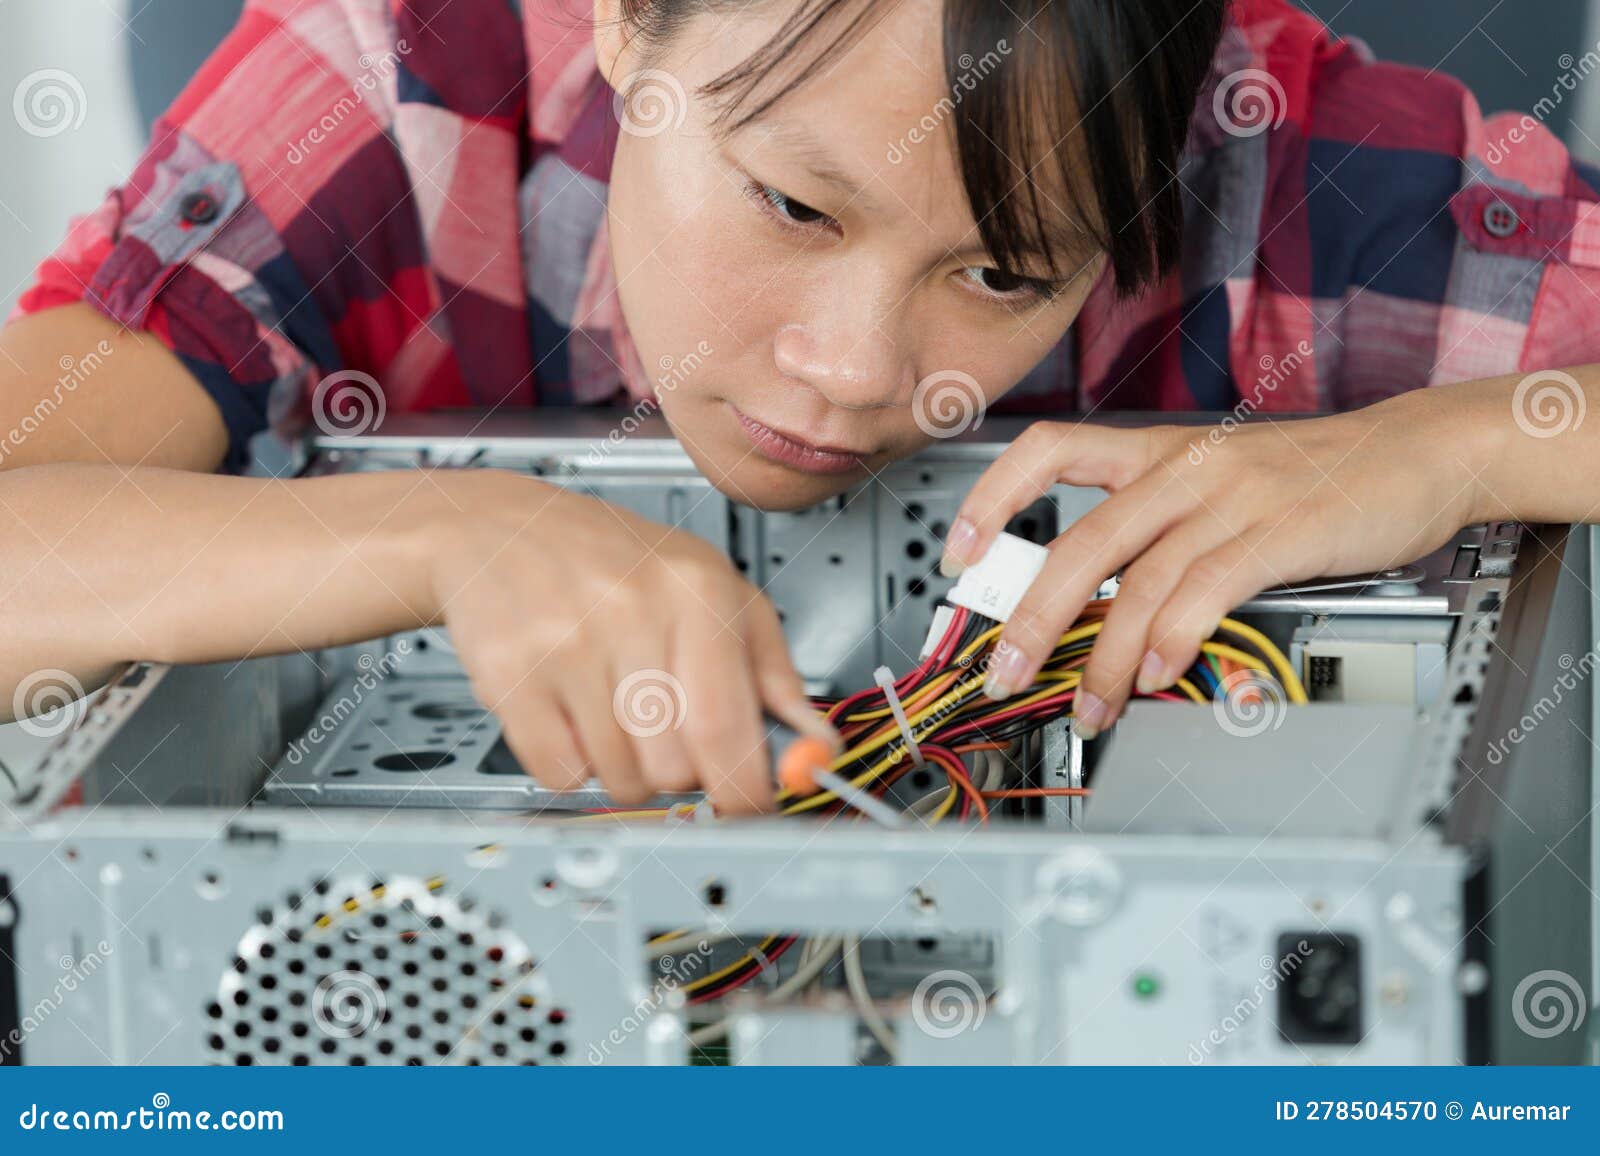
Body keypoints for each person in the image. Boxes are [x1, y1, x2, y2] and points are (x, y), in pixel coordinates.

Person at [3, 0, 1597, 812]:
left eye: (1005, 272)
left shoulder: (1296, 168)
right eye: (793, 208)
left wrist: (1445, 445)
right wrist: (448, 529)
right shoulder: (398, 76)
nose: (852, 370)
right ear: (631, 25)